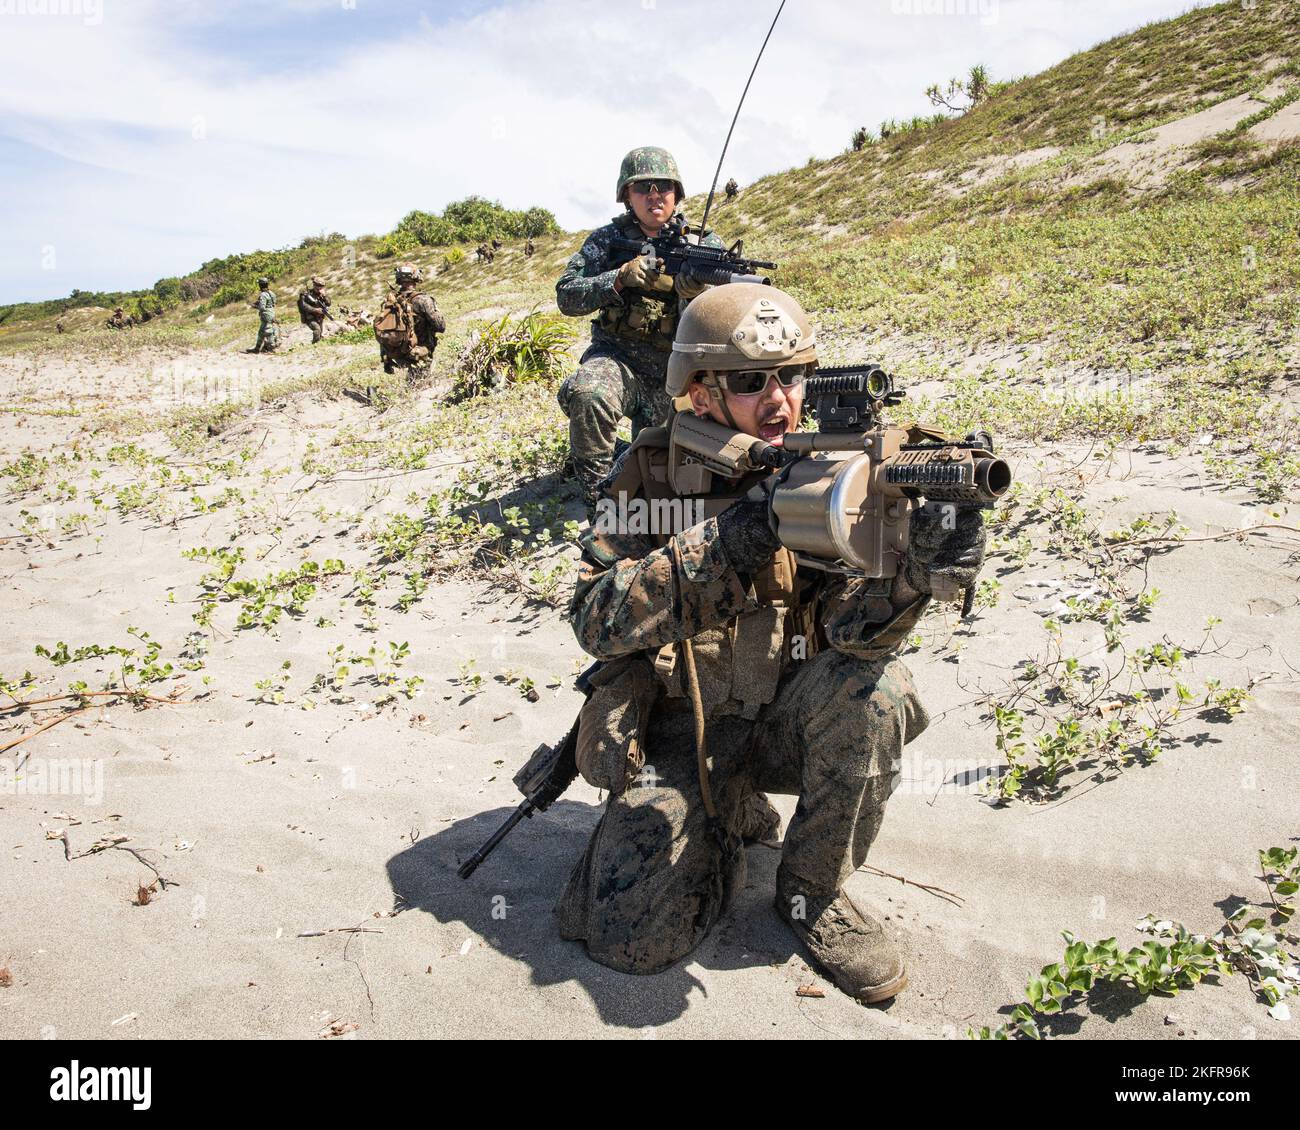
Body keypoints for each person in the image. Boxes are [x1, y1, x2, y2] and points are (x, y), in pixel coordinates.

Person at [555, 283, 987, 1005]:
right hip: (679, 730)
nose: (780, 399)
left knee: (877, 694)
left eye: (792, 376)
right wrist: (734, 538)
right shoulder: (653, 473)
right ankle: (718, 816)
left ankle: (813, 892)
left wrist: (917, 573)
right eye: (751, 381)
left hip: (784, 719)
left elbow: (854, 636)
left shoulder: (829, 474)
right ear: (698, 390)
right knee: (631, 940)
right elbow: (596, 618)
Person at [555, 146, 727, 518]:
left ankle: (621, 458)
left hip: (679, 376)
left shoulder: (705, 246)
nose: (654, 195)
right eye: (642, 187)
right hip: (619, 362)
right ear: (626, 197)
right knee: (589, 394)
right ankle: (600, 508)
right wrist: (617, 278)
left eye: (663, 186)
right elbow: (566, 296)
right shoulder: (606, 241)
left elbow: (730, 313)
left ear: (677, 194)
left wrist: (697, 297)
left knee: (667, 473)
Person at [373, 262, 445, 378]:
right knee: (421, 385)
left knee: (411, 381)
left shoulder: (390, 300)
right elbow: (440, 327)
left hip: (396, 352)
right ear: (416, 276)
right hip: (419, 351)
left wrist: (385, 357)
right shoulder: (423, 300)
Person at [298, 276, 331, 343]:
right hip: (309, 317)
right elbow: (303, 306)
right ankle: (314, 344)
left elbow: (328, 303)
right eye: (318, 285)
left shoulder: (322, 294)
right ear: (314, 285)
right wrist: (315, 310)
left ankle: (318, 343)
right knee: (317, 329)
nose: (319, 287)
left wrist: (325, 296)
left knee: (320, 332)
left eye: (321, 286)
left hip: (319, 317)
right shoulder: (306, 294)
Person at [249, 277, 279, 353]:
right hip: (272, 312)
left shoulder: (263, 294)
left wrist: (254, 306)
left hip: (266, 314)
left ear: (260, 285)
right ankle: (257, 348)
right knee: (261, 332)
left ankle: (271, 348)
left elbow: (262, 307)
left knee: (268, 331)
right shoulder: (271, 293)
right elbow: (274, 302)